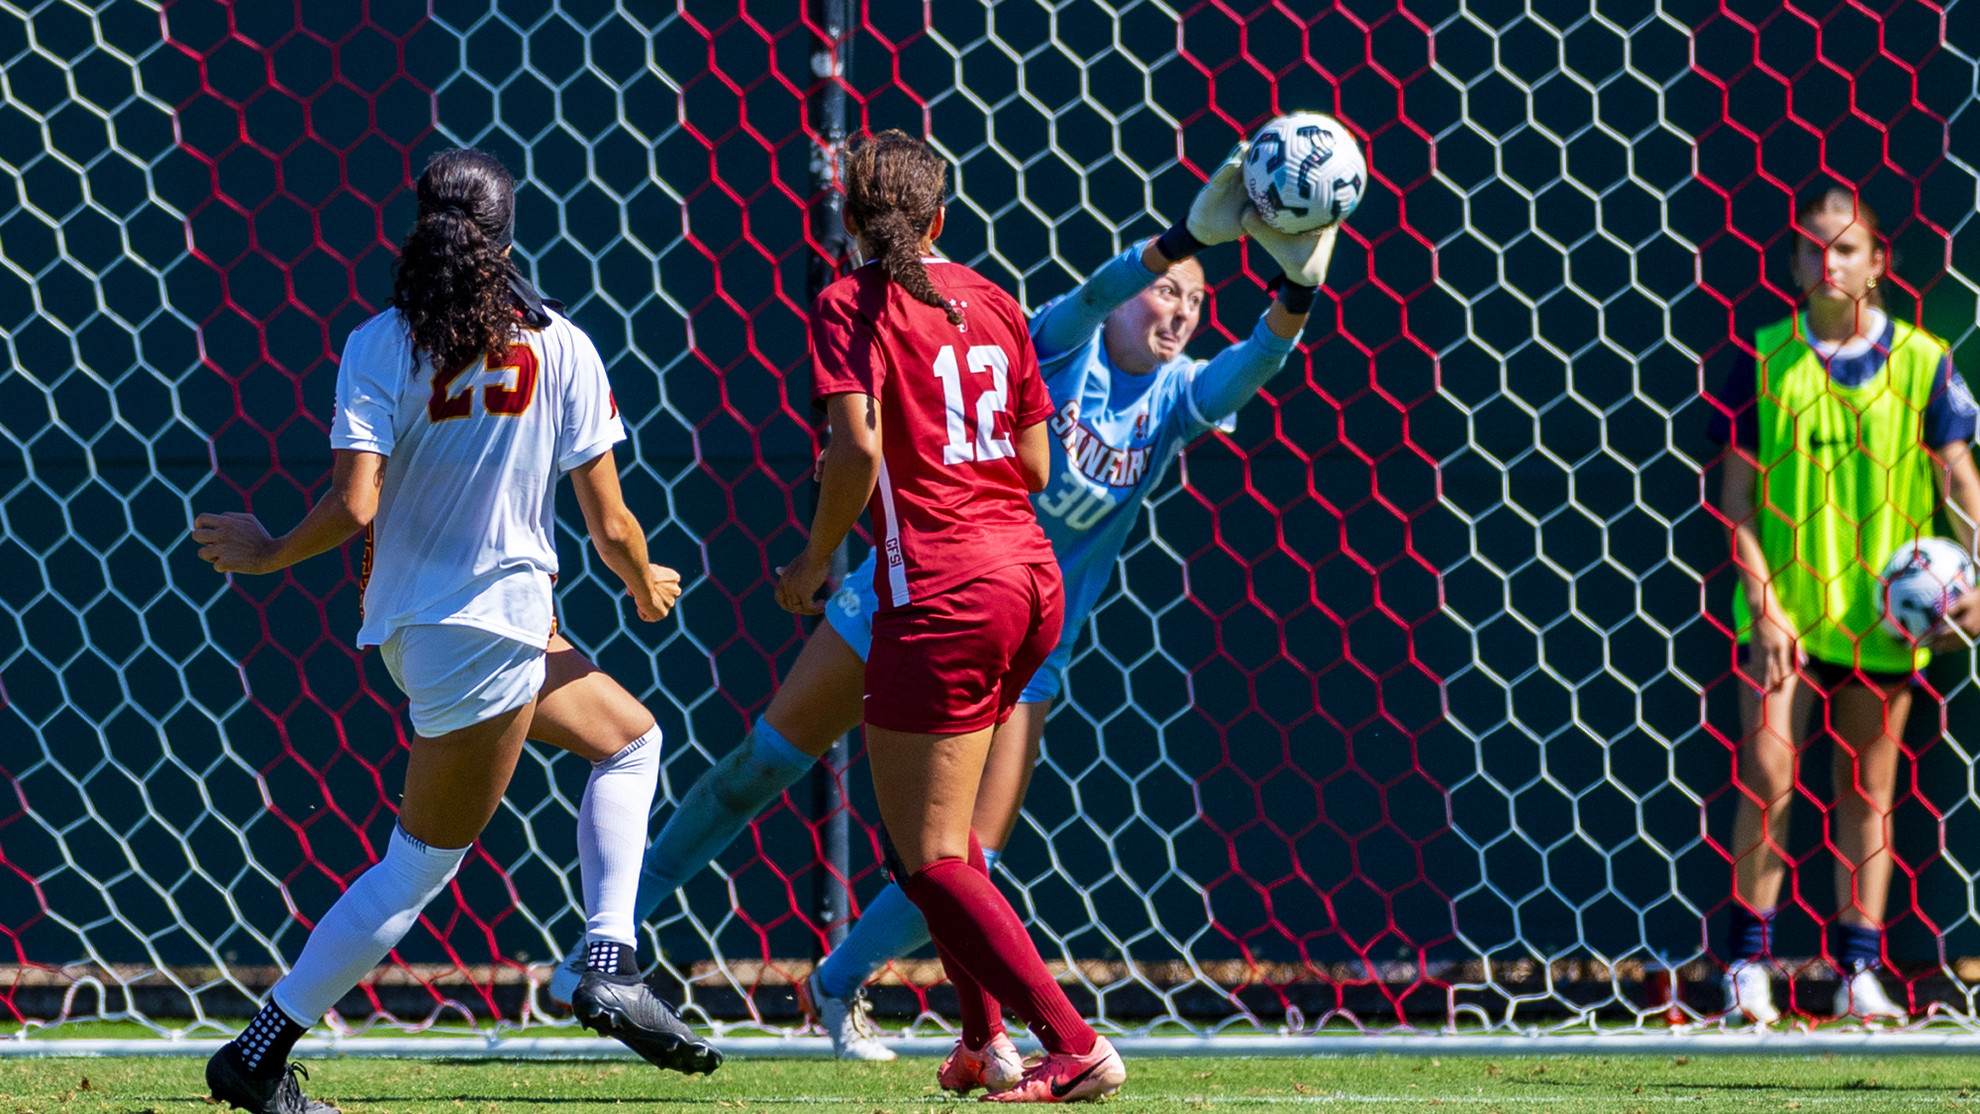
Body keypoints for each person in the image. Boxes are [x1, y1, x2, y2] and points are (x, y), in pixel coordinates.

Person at [543, 137, 1338, 1061]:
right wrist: (1170, 241)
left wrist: (1299, 291)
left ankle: (844, 988)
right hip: (914, 589)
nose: (1181, 309)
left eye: (1199, 302)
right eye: (1167, 291)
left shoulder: (1172, 399)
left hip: (1021, 630)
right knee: (763, 767)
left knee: (962, 853)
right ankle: (608, 941)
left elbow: (1257, 366)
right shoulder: (1046, 335)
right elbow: (1082, 305)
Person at [191, 148, 719, 1114]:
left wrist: (270, 551)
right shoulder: (563, 344)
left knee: (631, 740)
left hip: (436, 629)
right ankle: (256, 1056)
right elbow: (611, 523)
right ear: (508, 238)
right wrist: (646, 582)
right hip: (493, 630)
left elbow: (355, 507)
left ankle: (606, 957)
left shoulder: (377, 342)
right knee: (419, 865)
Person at [767, 126, 1132, 1101]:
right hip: (1031, 586)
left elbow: (852, 451)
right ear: (940, 219)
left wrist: (812, 558)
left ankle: (1074, 1043)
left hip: (939, 593)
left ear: (847, 219)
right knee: (948, 843)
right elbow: (1037, 468)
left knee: (925, 857)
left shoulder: (848, 302)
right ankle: (982, 1039)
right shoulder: (1000, 304)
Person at [1709, 186, 1980, 1025]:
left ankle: (1858, 971)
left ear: (1878, 263)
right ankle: (1747, 968)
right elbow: (1736, 500)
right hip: (1786, 609)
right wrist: (1764, 606)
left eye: (1847, 249)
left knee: (1869, 789)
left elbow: (1958, 477)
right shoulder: (1762, 358)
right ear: (1793, 266)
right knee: (1768, 775)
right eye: (1813, 250)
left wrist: (1972, 575)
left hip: (1887, 617)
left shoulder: (1925, 359)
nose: (1830, 263)